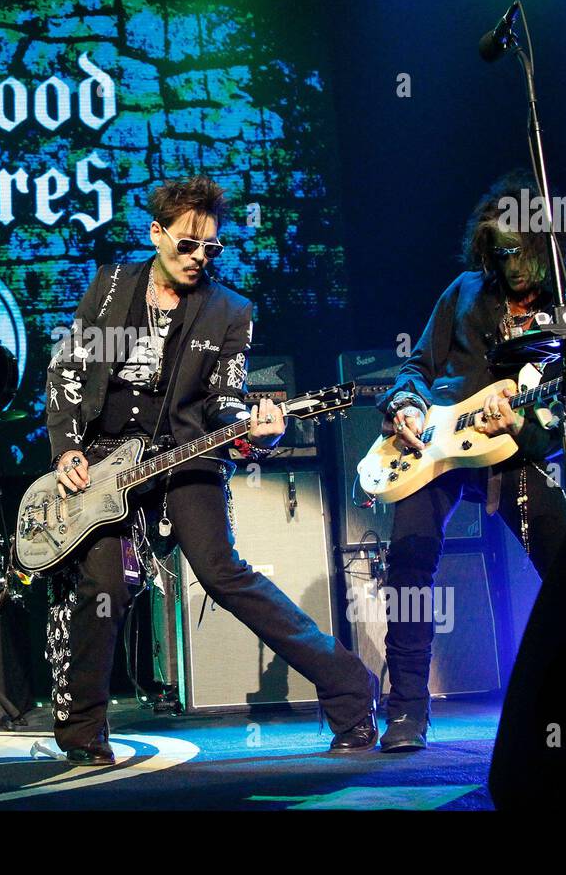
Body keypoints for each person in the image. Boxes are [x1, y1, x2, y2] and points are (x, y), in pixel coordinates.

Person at [44, 176, 378, 764]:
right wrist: (68, 449)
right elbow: (68, 372)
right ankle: (82, 732)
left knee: (224, 575)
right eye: (187, 245)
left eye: (211, 249)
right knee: (107, 583)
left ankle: (350, 690)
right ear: (157, 235)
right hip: (105, 464)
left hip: (185, 456)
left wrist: (259, 434)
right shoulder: (109, 287)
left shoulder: (229, 312)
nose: (198, 258)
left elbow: (226, 405)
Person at [375, 170, 566, 751]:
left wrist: (518, 421)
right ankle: (406, 712)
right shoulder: (464, 291)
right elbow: (415, 367)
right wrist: (407, 407)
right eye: (503, 253)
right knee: (410, 566)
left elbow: (556, 434)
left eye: (524, 249)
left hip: (513, 459)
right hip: (435, 448)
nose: (514, 264)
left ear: (549, 244)